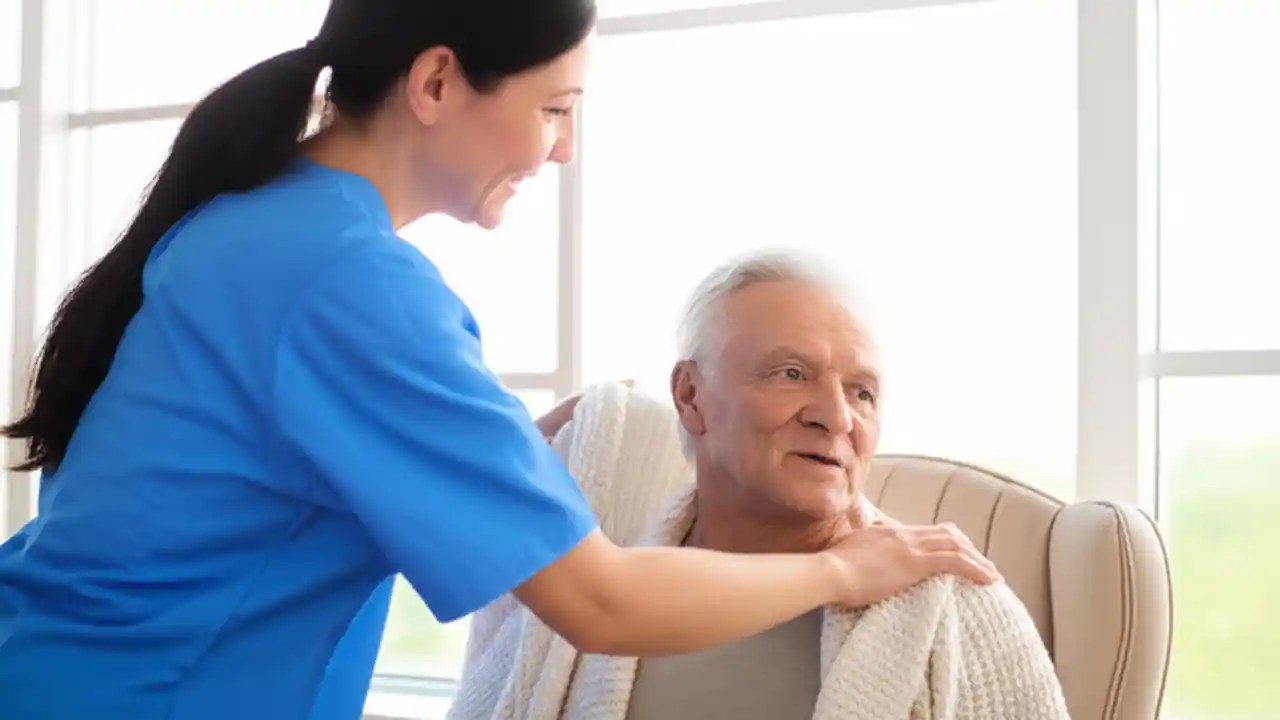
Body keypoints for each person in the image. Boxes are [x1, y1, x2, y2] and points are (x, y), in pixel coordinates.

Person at [0, 3, 999, 719]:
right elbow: (602, 603)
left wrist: (501, 443)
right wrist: (843, 568)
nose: (563, 149)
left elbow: (249, 475)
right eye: (555, 108)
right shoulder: (353, 283)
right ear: (436, 82)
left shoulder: (244, 225)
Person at [450, 253, 1066, 720]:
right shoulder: (590, 600)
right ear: (690, 396)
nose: (837, 417)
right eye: (791, 373)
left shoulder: (953, 608)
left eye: (862, 392)